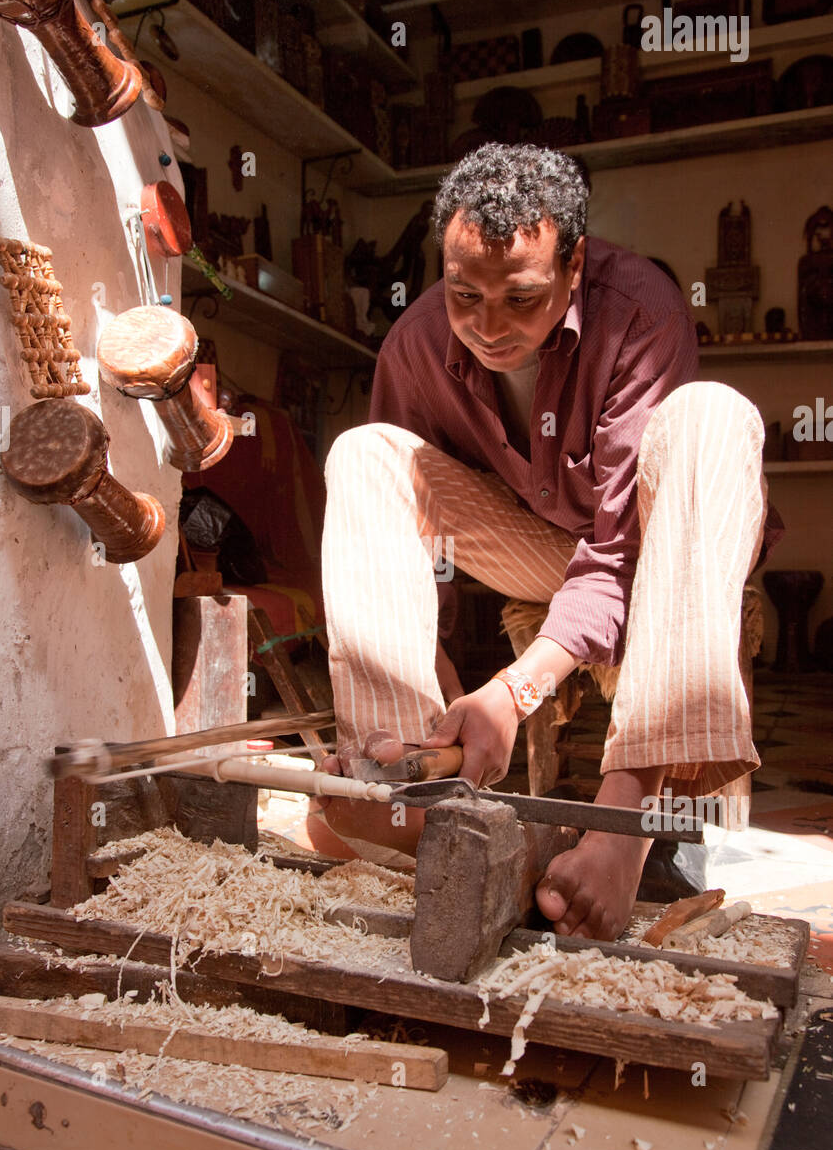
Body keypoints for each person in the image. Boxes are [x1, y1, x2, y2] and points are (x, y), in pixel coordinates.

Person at [306, 144, 782, 941]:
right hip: (541, 550)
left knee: (712, 416)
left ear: (574, 266)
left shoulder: (639, 311)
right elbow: (430, 568)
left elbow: (620, 553)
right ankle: (404, 786)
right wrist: (456, 714)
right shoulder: (418, 344)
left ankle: (622, 830)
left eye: (520, 300)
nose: (489, 328)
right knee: (363, 454)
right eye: (465, 296)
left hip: (661, 554)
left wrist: (515, 692)